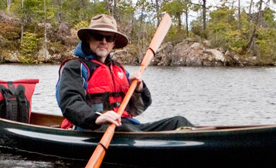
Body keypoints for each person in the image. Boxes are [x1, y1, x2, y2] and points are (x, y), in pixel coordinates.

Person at [56, 13, 193, 132]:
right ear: (88, 38)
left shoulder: (119, 69)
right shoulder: (75, 67)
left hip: (123, 125)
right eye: (98, 36)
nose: (104, 42)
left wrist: (138, 89)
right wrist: (97, 118)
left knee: (179, 122)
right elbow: (70, 102)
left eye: (109, 38)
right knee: (127, 130)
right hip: (89, 127)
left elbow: (136, 109)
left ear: (113, 43)